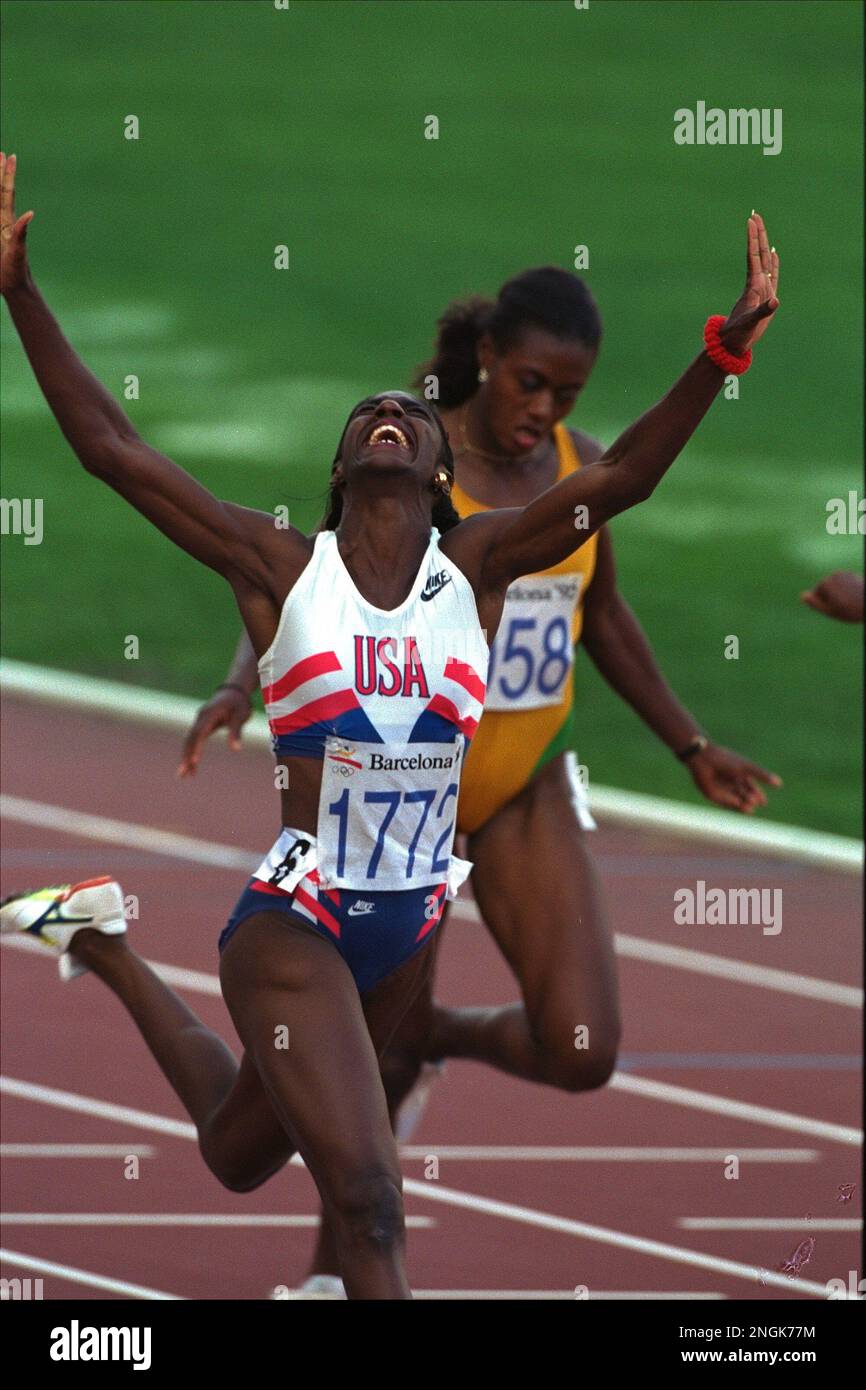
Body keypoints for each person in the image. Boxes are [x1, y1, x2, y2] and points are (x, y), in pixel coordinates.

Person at [0, 149, 779, 1297]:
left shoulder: (478, 567)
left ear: (429, 473)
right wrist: (17, 290)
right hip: (297, 923)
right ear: (341, 465)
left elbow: (619, 488)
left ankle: (102, 940)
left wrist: (724, 349)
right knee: (370, 1200)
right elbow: (109, 450)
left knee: (233, 1149)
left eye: (402, 418)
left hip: (409, 931)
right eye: (365, 414)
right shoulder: (276, 567)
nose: (385, 415)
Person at [182, 263, 781, 1291]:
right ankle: (334, 1272)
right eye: (529, 385)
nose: (541, 412)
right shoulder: (417, 473)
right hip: (411, 809)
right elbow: (302, 586)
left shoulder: (571, 472)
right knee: (361, 1073)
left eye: (566, 396)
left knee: (581, 1046)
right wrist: (242, 685)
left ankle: (437, 1035)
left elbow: (602, 608)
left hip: (525, 783)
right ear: (486, 360)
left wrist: (689, 742)